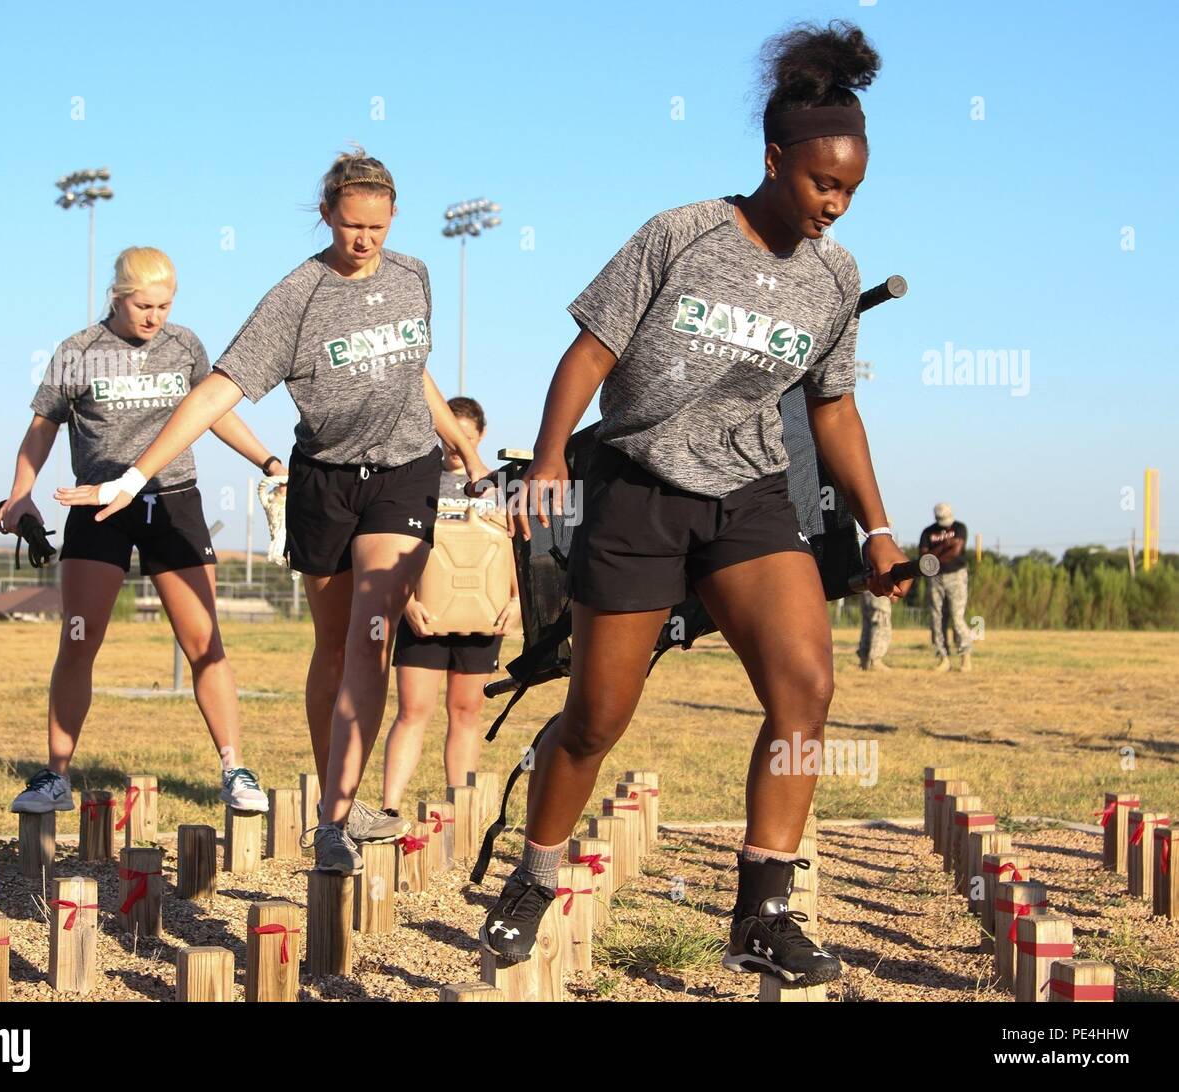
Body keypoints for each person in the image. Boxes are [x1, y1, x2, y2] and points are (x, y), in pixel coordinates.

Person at [479, 21, 908, 988]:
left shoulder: (834, 278)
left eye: (850, 190)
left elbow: (833, 409)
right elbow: (590, 352)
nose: (834, 206)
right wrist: (549, 460)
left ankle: (762, 908)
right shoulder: (681, 234)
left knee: (805, 687)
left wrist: (877, 522)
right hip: (637, 488)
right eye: (821, 183)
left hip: (750, 494)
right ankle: (535, 875)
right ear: (774, 158)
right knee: (595, 718)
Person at [55, 151, 492, 875]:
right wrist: (135, 476)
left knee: (370, 636)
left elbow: (413, 370)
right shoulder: (295, 298)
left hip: (402, 474)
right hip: (325, 481)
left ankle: (336, 817)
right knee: (332, 646)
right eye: (352, 225)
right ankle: (337, 796)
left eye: (378, 227)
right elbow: (213, 394)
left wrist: (462, 449)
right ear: (326, 215)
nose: (365, 240)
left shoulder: (414, 275)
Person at [0, 246, 281, 815]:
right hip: (98, 505)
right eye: (144, 306)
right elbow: (42, 427)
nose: (155, 317)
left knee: (205, 643)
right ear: (117, 297)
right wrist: (21, 491)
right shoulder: (77, 351)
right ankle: (55, 777)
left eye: (165, 305)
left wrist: (269, 461)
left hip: (172, 501)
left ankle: (235, 769)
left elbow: (214, 410)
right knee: (79, 640)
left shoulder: (184, 346)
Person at [380, 396, 519, 816]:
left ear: (481, 436)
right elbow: (394, 547)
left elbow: (518, 549)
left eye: (467, 439)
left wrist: (518, 603)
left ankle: (459, 808)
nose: (457, 447)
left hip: (482, 620)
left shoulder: (500, 488)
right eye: (449, 438)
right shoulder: (415, 482)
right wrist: (406, 604)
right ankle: (388, 809)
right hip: (423, 617)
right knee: (412, 710)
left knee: (466, 711)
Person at [920, 502, 971, 672]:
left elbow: (956, 551)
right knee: (937, 618)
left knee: (957, 617)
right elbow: (924, 557)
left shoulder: (959, 527)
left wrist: (934, 555)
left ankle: (965, 657)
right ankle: (943, 658)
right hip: (935, 578)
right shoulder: (928, 532)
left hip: (956, 575)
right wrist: (945, 547)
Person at [857, 587, 892, 670]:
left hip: (865, 584)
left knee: (868, 623)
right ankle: (874, 661)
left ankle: (864, 660)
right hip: (879, 584)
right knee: (881, 621)